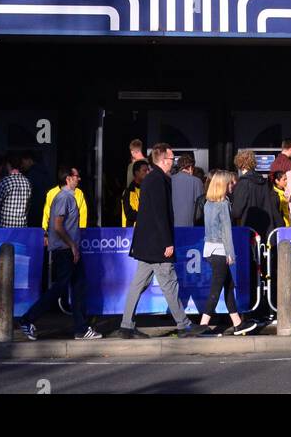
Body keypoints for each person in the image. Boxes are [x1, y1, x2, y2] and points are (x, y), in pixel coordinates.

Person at [20, 166, 102, 342]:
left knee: (79, 287)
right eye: (76, 176)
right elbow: (57, 226)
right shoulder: (64, 198)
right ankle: (27, 319)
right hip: (65, 251)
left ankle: (81, 329)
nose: (79, 179)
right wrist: (72, 245)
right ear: (68, 178)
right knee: (59, 288)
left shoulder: (69, 197)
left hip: (71, 250)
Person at [119, 143, 191, 339]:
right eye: (171, 159)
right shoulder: (158, 179)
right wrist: (167, 242)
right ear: (162, 160)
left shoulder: (153, 179)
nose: (173, 162)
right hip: (157, 244)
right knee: (169, 282)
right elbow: (160, 214)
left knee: (138, 284)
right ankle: (183, 325)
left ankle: (126, 325)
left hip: (148, 244)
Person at [197, 171, 258, 337]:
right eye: (230, 183)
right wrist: (230, 253)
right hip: (220, 250)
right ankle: (203, 325)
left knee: (229, 287)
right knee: (216, 289)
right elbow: (226, 231)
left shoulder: (208, 203)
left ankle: (237, 323)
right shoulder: (223, 203)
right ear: (223, 185)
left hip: (210, 249)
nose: (233, 186)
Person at [230, 149, 282, 239]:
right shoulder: (264, 181)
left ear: (239, 163)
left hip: (248, 228)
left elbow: (236, 212)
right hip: (265, 227)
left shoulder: (243, 183)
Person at [0, 154, 32, 228]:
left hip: (4, 225)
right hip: (21, 225)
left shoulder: (4, 182)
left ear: (8, 165)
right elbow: (28, 205)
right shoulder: (27, 182)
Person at [22, 151, 53, 228]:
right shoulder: (46, 173)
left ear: (29, 160)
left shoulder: (31, 175)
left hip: (34, 211)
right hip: (45, 209)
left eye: (23, 162)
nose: (22, 165)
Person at [171, 153, 203, 226]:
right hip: (190, 224)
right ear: (191, 167)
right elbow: (200, 206)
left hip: (172, 224)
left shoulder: (170, 180)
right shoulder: (196, 181)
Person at [122, 158, 149, 226]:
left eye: (148, 170)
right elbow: (129, 214)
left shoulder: (149, 189)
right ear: (137, 173)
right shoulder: (128, 192)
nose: (147, 173)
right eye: (144, 171)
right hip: (132, 232)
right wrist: (147, 216)